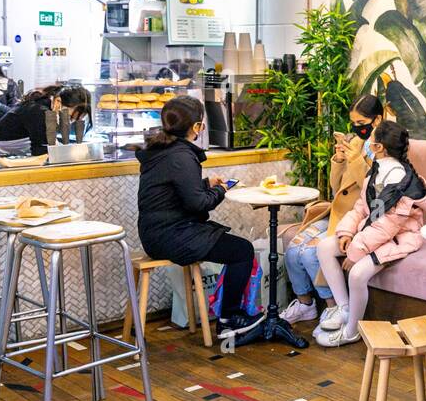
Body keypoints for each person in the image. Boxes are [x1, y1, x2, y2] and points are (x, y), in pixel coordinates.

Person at [136, 96, 261, 338]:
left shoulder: (162, 150)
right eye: (201, 124)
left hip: (154, 233)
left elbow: (174, 192)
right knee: (242, 251)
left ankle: (229, 316)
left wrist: (205, 183)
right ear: (196, 127)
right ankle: (228, 319)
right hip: (172, 235)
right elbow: (198, 203)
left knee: (236, 248)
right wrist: (222, 189)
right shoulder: (182, 156)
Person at [314, 121, 426, 347]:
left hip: (400, 238)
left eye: (371, 139)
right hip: (373, 234)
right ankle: (345, 308)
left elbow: (389, 225)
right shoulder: (377, 171)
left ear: (378, 147)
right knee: (325, 247)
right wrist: (346, 232)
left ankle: (352, 330)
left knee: (357, 273)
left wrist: (356, 251)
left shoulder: (398, 178)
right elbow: (361, 207)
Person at [280, 94, 384, 331]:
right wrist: (338, 160)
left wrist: (357, 160)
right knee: (293, 247)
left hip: (363, 218)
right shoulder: (356, 144)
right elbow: (337, 188)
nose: (358, 129)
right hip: (339, 213)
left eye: (361, 124)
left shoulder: (384, 147)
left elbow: (373, 192)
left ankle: (332, 307)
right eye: (354, 124)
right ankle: (306, 304)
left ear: (377, 120)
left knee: (309, 253)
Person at [0, 82, 89, 156]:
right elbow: (41, 153)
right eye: (69, 117)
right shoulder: (40, 112)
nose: (69, 122)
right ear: (58, 102)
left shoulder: (49, 106)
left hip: (6, 153)